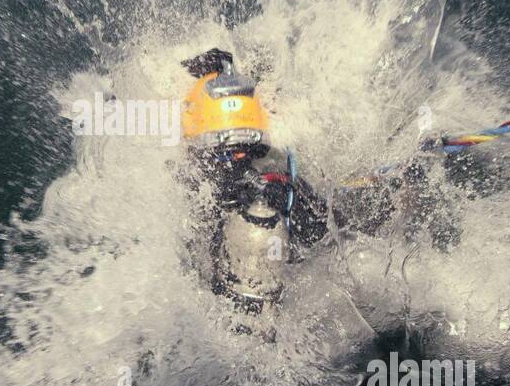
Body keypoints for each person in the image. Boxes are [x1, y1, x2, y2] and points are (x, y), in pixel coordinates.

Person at [178, 48, 450, 314]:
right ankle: (406, 189)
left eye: (242, 153)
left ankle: (405, 188)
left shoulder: (275, 189)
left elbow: (342, 239)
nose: (237, 159)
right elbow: (345, 242)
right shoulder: (268, 192)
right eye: (231, 155)